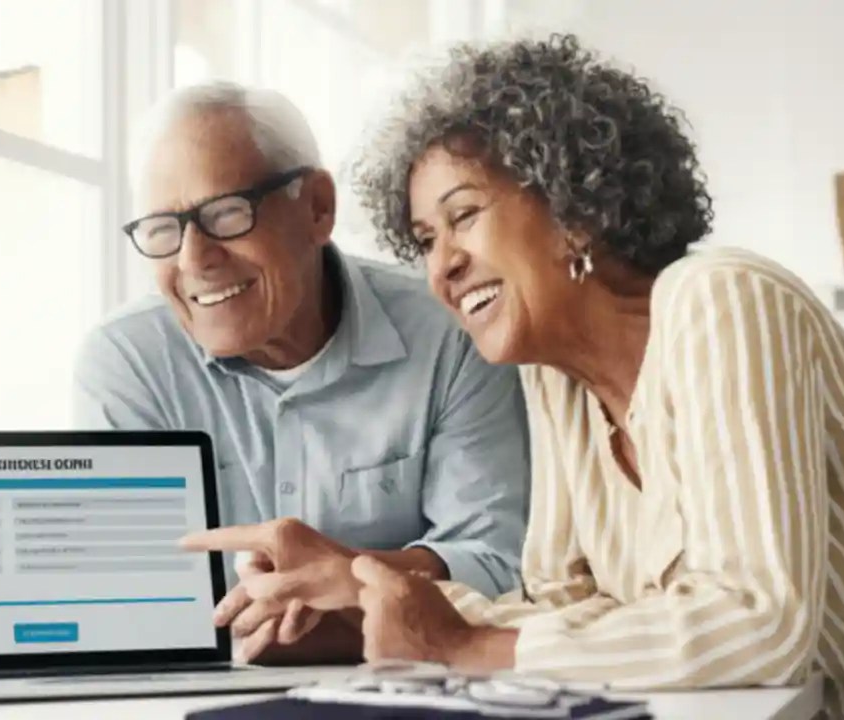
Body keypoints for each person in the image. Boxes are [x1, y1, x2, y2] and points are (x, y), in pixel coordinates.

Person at [182, 36, 844, 718]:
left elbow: (755, 623)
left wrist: (463, 647)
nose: (442, 266)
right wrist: (363, 595)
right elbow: (561, 606)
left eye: (464, 215)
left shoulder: (722, 299)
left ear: (574, 207)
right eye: (423, 238)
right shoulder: (559, 382)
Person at [74, 81, 530, 663]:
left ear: (317, 207)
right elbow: (132, 598)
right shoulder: (127, 361)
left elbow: (496, 559)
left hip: (413, 684)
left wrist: (344, 579)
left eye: (227, 213)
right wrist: (366, 588)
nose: (194, 260)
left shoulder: (450, 330)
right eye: (163, 230)